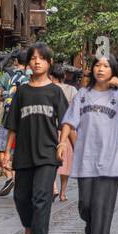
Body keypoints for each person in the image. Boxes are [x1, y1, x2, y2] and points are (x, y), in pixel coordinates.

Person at [60, 55, 118, 234]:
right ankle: (91, 229)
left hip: (110, 160)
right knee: (85, 204)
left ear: (112, 70)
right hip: (86, 159)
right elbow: (69, 121)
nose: (100, 69)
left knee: (103, 205)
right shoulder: (82, 95)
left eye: (105, 66)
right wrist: (61, 142)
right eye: (97, 65)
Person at [3, 44, 69, 234]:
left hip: (48, 153)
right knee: (21, 197)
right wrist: (6, 152)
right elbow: (12, 124)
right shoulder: (22, 92)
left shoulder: (55, 92)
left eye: (42, 58)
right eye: (34, 58)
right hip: (23, 153)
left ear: (49, 63)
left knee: (41, 196)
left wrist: (62, 143)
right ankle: (29, 230)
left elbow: (66, 121)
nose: (37, 61)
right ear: (28, 63)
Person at [0, 51, 23, 197]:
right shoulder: (33, 76)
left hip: (7, 117)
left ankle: (9, 176)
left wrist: (6, 95)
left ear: (15, 60)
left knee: (2, 148)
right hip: (25, 118)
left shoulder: (7, 75)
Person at [53, 64, 78, 202]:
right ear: (63, 77)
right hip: (68, 131)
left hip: (52, 128)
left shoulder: (50, 89)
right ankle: (62, 192)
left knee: (51, 161)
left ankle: (53, 187)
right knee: (66, 162)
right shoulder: (72, 89)